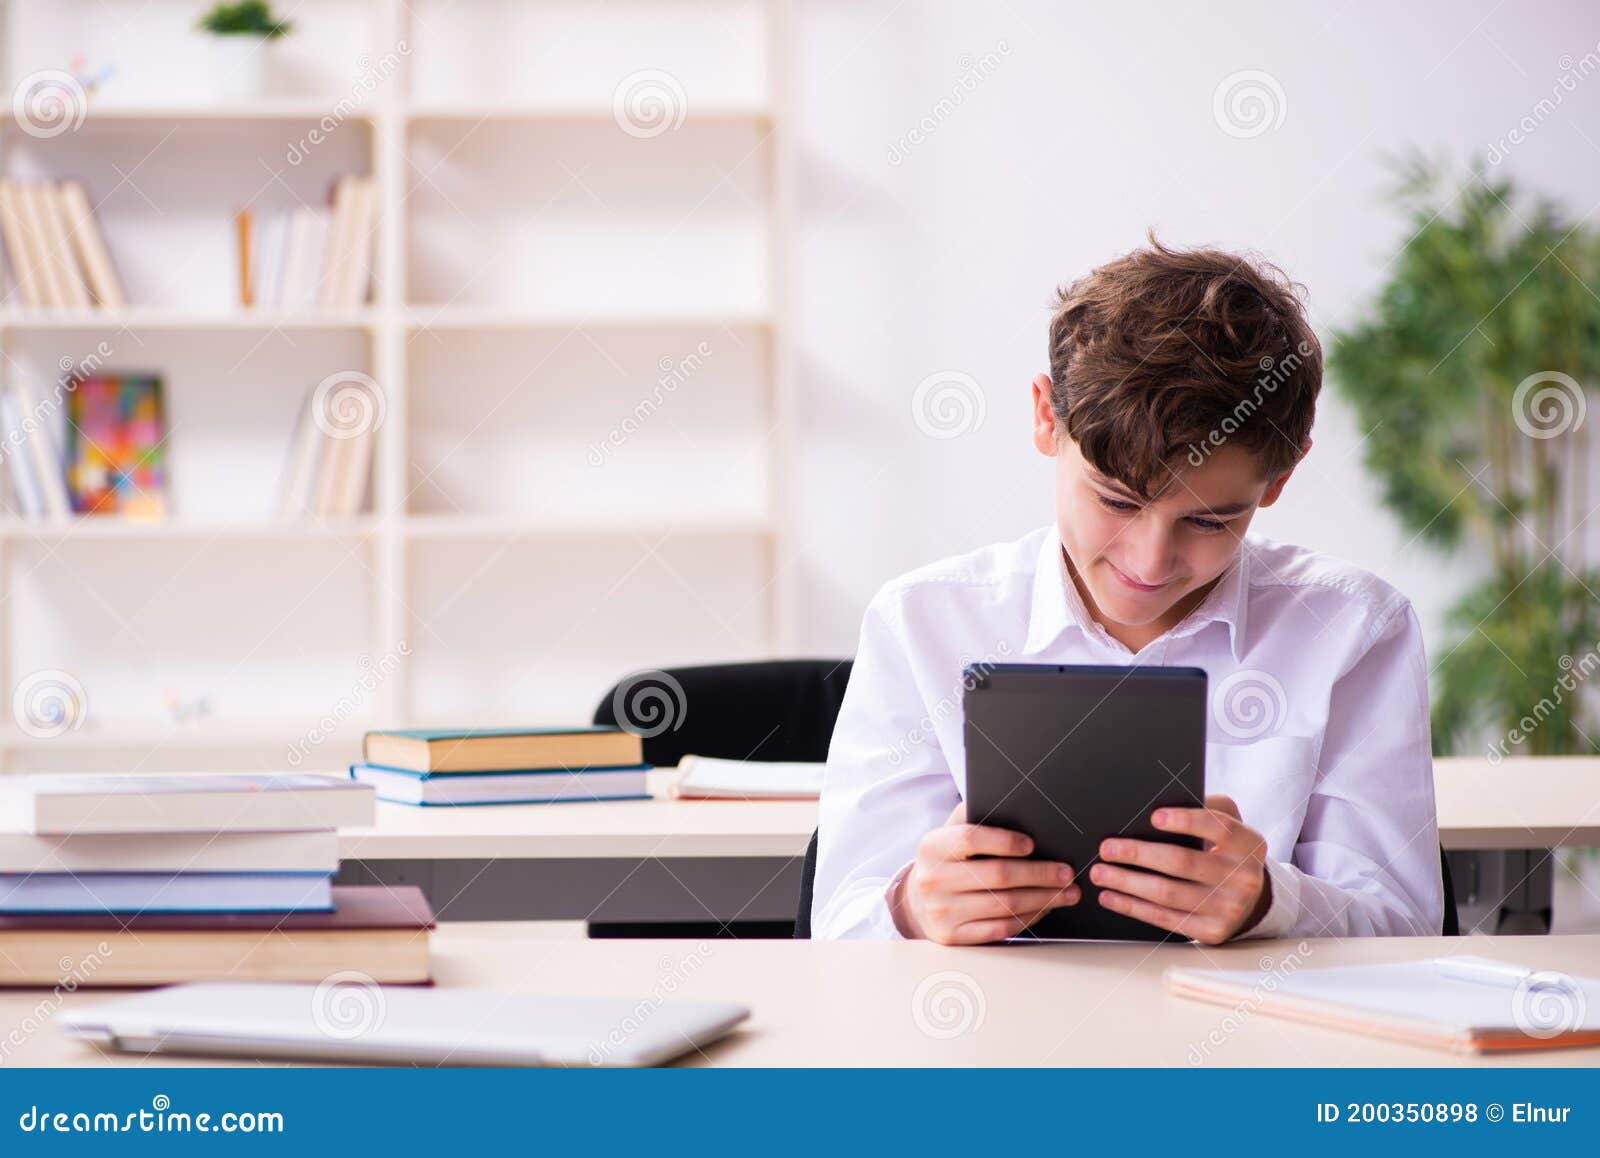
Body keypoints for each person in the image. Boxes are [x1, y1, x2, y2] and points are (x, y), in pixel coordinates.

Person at [812, 238, 1443, 944]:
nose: (1149, 561)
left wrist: (1271, 902)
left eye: (1207, 520)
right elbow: (841, 926)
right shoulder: (923, 621)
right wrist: (912, 908)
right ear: (1047, 419)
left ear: (1280, 480)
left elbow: (1404, 926)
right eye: (1116, 501)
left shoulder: (1354, 629)